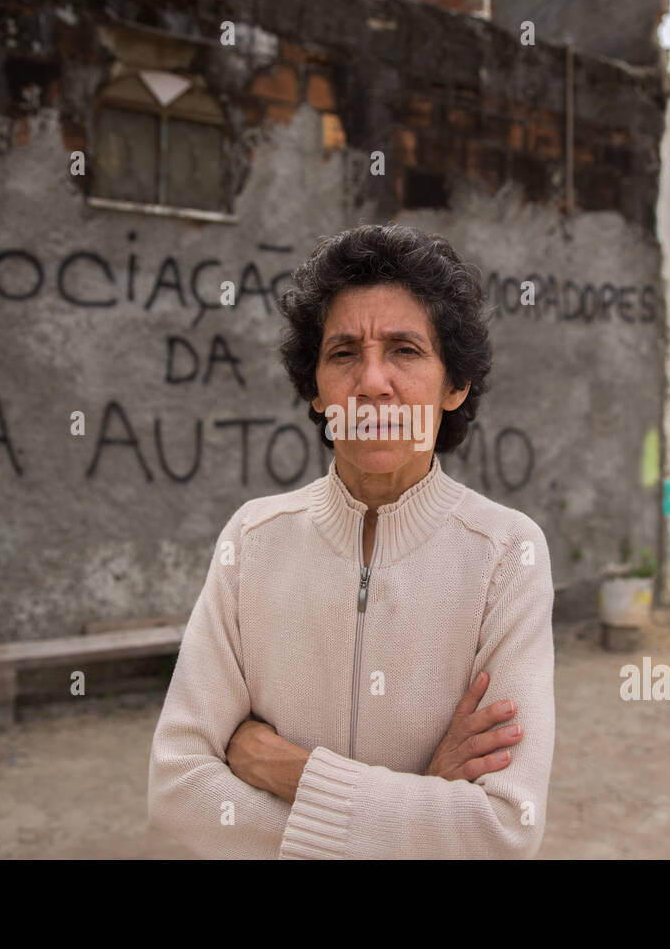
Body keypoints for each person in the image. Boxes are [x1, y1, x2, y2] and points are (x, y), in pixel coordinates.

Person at [147, 223, 555, 858]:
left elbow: (503, 827)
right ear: (316, 389)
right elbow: (178, 791)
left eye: (405, 350)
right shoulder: (252, 542)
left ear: (455, 385)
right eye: (343, 354)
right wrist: (417, 801)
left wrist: (285, 769)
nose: (371, 382)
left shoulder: (505, 555)